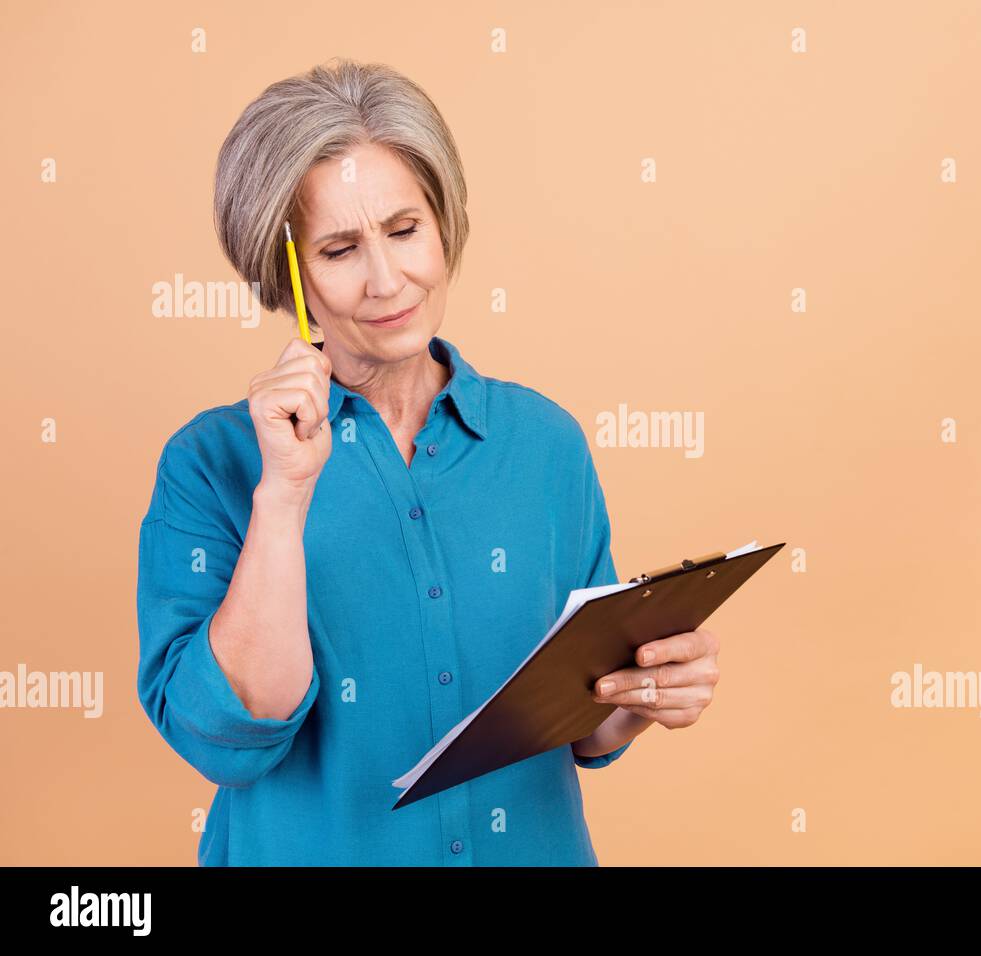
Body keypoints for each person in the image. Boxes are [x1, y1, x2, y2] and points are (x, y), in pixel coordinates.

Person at [135, 59, 721, 865]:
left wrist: (645, 693)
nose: (388, 280)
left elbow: (580, 721)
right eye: (340, 249)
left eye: (405, 230)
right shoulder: (211, 463)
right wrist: (285, 495)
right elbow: (236, 735)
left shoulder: (544, 443)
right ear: (290, 274)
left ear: (444, 224)